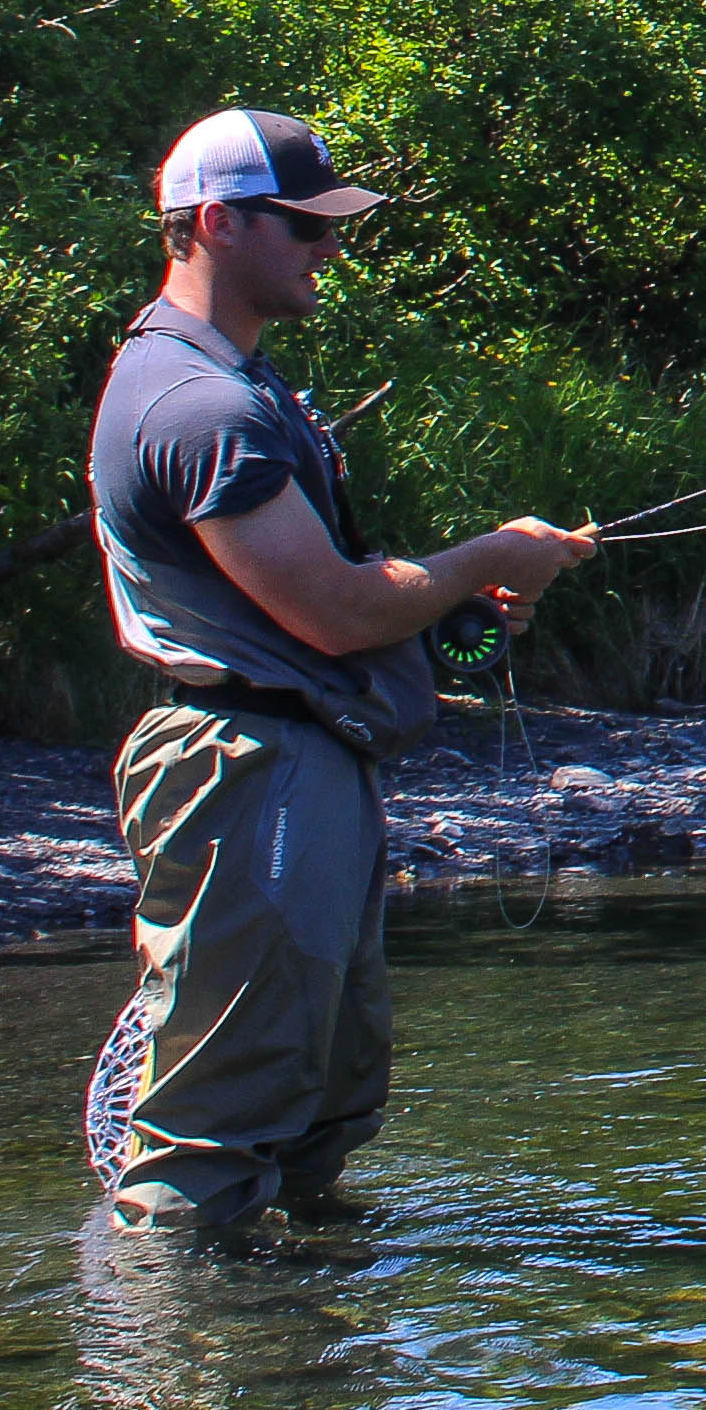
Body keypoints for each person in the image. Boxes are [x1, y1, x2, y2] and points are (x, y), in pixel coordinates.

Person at [86, 109, 592, 1231]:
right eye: (308, 226)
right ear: (216, 223)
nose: (331, 249)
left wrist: (464, 607)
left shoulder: (247, 392)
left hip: (302, 763)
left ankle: (300, 1360)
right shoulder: (200, 407)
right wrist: (487, 558)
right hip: (246, 767)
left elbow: (334, 605)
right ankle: (173, 1381)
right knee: (224, 1113)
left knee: (325, 1090)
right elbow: (330, 611)